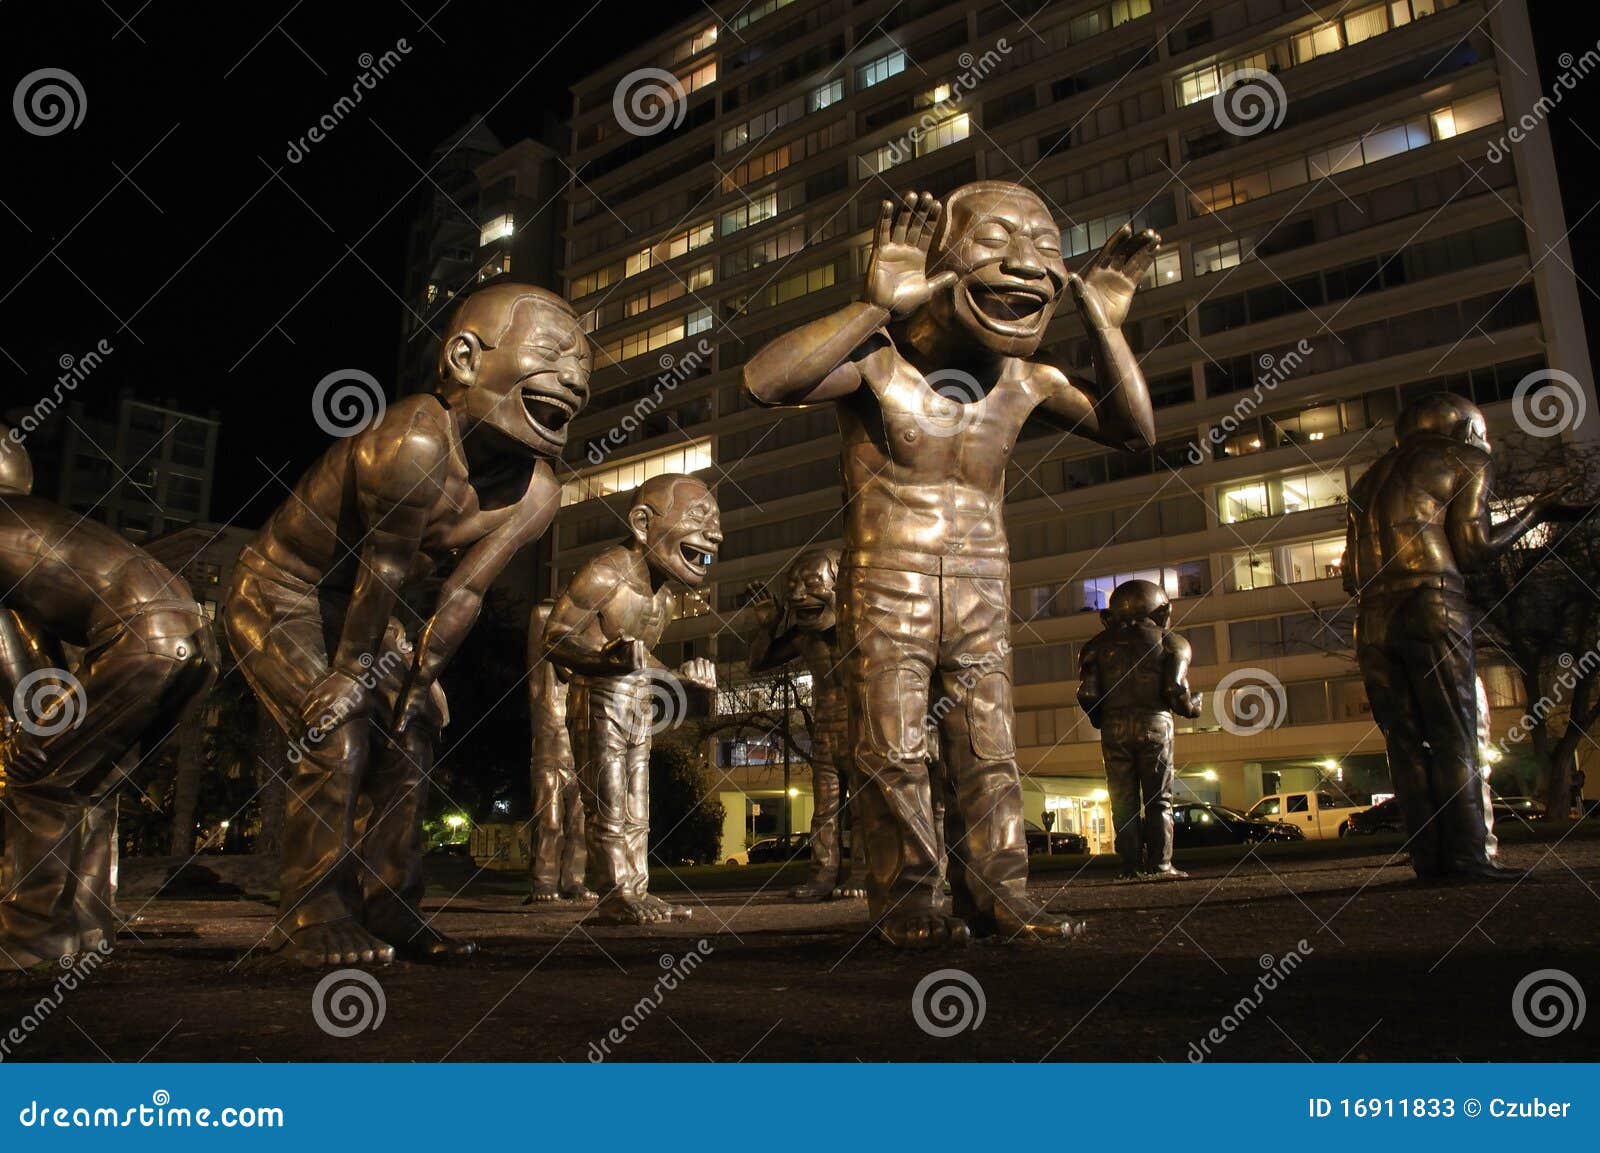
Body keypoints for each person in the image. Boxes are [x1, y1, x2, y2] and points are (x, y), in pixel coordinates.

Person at [743, 183, 1158, 946]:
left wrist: (1102, 321)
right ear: (940, 262)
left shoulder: (1026, 378)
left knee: (989, 746)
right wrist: (874, 305)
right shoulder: (877, 361)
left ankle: (1002, 895)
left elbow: (1136, 430)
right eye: (998, 242)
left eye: (1044, 250)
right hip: (887, 575)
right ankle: (908, 902)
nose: (1027, 267)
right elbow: (768, 381)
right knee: (892, 747)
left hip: (982, 582)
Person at [224, 282, 589, 965]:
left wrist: (421, 675)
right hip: (284, 591)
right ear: (462, 358)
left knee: (415, 730)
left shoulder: (538, 491)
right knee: (334, 723)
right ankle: (315, 912)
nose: (573, 379)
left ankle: (391, 904)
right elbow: (383, 570)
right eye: (551, 353)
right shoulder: (416, 435)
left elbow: (466, 590)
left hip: (372, 612)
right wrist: (346, 674)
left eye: (584, 370)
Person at [0, 426, 216, 969]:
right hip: (197, 639)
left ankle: (30, 935)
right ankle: (89, 927)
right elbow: (37, 657)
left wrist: (29, 734)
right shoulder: (39, 525)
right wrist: (42, 721)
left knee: (37, 779)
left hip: (143, 635)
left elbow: (6, 648)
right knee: (87, 785)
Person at [1344, 392, 1571, 880]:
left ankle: (1429, 860)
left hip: (1372, 618)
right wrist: (1536, 513)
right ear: (1467, 429)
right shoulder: (1463, 459)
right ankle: (1470, 857)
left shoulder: (1365, 483)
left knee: (1403, 743)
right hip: (1431, 602)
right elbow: (1472, 550)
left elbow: (1349, 573)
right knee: (1457, 734)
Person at [542, 474, 720, 925]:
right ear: (643, 522)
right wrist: (605, 658)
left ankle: (637, 889)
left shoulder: (664, 598)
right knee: (607, 800)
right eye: (700, 518)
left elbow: (642, 658)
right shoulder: (605, 572)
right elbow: (555, 637)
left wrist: (679, 679)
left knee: (636, 805)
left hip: (638, 707)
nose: (716, 534)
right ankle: (614, 892)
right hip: (598, 700)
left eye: (716, 521)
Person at [746, 548, 864, 901]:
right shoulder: (803, 636)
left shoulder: (861, 626)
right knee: (825, 809)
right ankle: (822, 876)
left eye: (811, 584)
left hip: (863, 725)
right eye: (793, 587)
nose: (799, 595)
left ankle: (863, 872)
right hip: (826, 730)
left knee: (863, 807)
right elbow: (758, 662)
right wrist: (768, 627)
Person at [1077, 579, 1201, 880]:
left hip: (1114, 726)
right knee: (1159, 799)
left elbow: (1087, 694)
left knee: (1123, 801)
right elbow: (1175, 690)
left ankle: (1130, 865)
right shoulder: (1172, 642)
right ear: (1162, 610)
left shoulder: (1095, 646)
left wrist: (1100, 719)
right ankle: (1160, 864)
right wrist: (1194, 707)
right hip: (1155, 722)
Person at [525, 598, 592, 904]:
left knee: (579, 822)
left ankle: (574, 881)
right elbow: (547, 630)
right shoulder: (545, 619)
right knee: (550, 819)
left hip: (581, 743)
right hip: (551, 743)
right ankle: (544, 881)